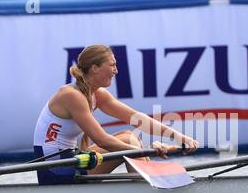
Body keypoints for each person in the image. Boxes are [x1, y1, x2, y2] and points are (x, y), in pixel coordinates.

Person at [33, 45, 198, 185]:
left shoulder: (97, 94)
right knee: (128, 140)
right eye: (112, 65)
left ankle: (151, 183)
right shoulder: (72, 95)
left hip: (73, 159)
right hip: (56, 170)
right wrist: (144, 151)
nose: (116, 71)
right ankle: (151, 188)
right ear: (94, 68)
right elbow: (102, 140)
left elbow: (137, 118)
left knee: (128, 135)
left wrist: (179, 137)